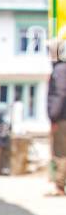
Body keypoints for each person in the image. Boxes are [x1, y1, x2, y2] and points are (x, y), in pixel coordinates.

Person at [48, 35, 66, 196]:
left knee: (60, 152)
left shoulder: (60, 70)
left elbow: (59, 94)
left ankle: (60, 185)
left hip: (62, 117)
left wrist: (53, 117)